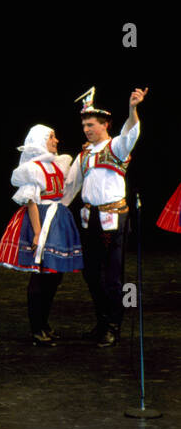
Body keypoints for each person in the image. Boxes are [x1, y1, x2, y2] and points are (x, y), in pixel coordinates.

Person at [59, 87, 147, 347]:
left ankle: (112, 326)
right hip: (89, 220)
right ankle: (102, 320)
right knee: (91, 274)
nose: (86, 129)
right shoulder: (84, 155)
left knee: (112, 277)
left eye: (91, 124)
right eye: (84, 125)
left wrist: (132, 108)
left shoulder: (116, 147)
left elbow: (131, 131)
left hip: (114, 219)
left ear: (105, 124)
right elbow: (70, 187)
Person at [0, 125, 81, 345]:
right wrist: (38, 232)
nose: (56, 140)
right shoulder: (33, 168)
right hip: (40, 220)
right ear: (40, 140)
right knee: (40, 275)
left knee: (54, 275)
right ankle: (37, 328)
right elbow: (32, 201)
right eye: (51, 137)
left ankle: (44, 324)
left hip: (57, 219)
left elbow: (69, 187)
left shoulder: (58, 164)